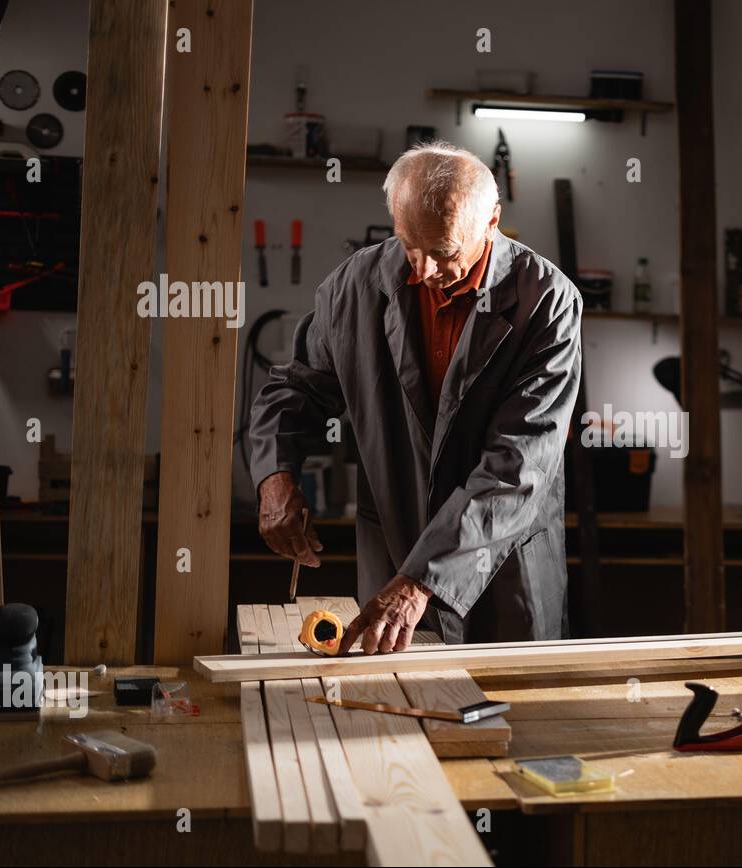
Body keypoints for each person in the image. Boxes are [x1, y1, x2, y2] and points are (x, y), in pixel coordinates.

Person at [249, 143, 581, 654]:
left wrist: (422, 580)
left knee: (508, 720)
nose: (422, 271)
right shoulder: (354, 285)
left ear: (492, 220)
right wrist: (275, 477)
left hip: (499, 561)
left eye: (444, 251)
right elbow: (294, 388)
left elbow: (518, 467)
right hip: (392, 549)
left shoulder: (546, 302)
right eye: (408, 244)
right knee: (388, 712)